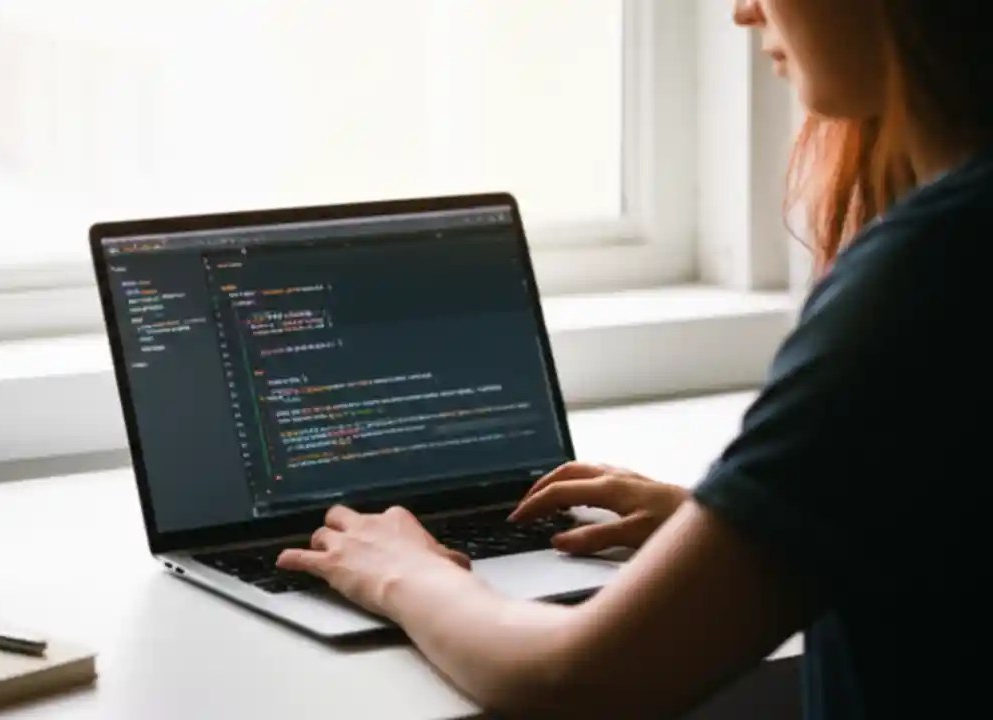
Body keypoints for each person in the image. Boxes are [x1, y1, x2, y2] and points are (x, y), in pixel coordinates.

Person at [277, 1, 990, 717]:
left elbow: (576, 678)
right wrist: (733, 530)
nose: (744, 12)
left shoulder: (925, 280)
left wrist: (405, 574)